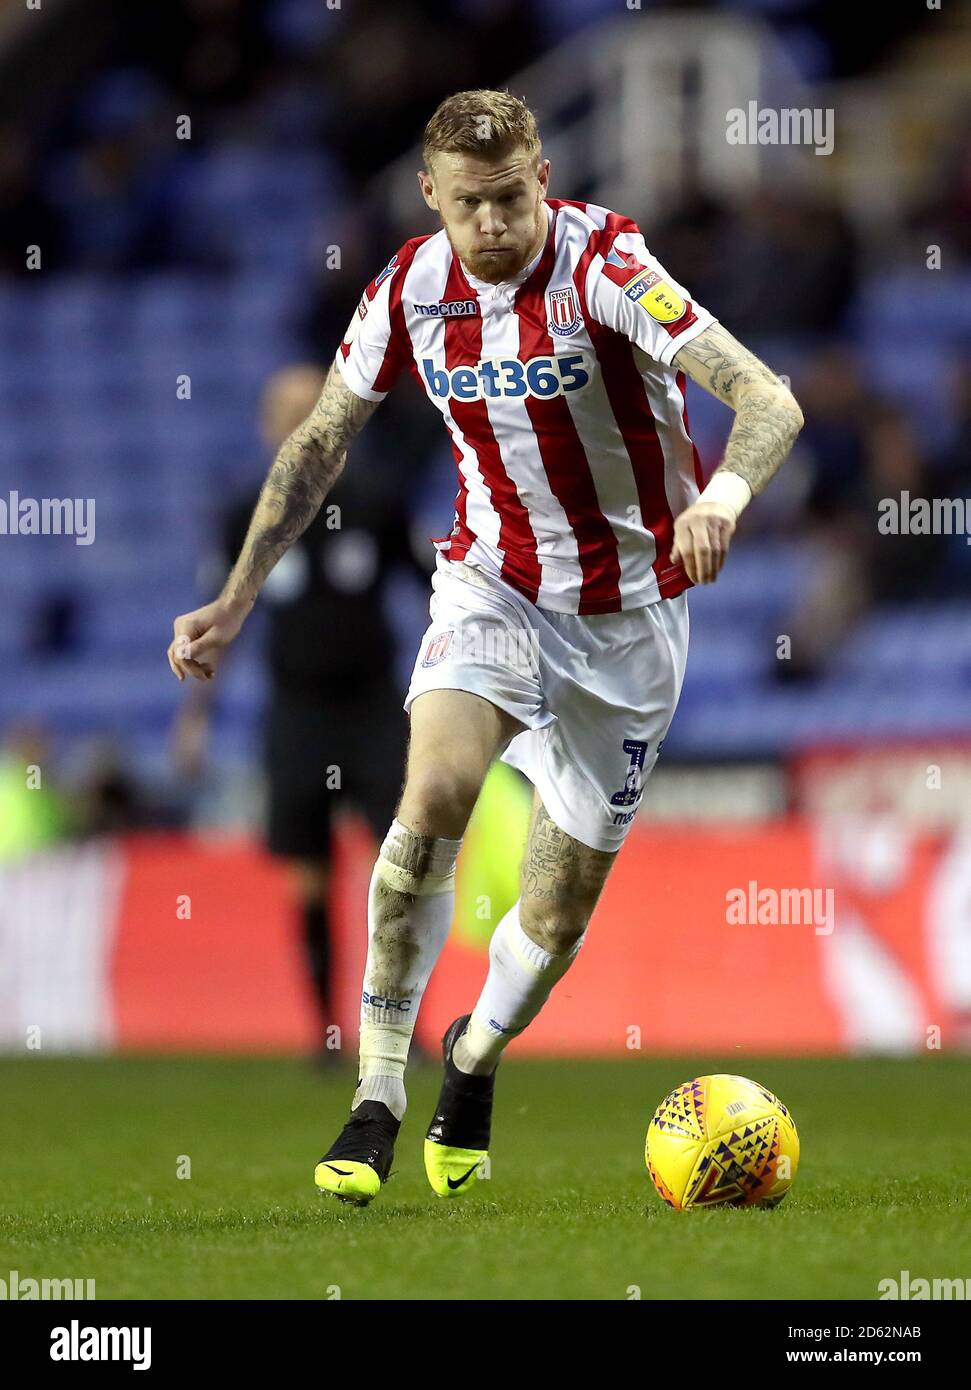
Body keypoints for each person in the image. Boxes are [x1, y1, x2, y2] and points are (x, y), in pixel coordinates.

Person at [168, 89, 803, 1206]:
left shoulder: (608, 264)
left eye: (511, 198)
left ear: (542, 176)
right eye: (470, 206)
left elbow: (765, 398)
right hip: (491, 588)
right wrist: (231, 601)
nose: (495, 225)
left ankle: (471, 1056)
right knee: (434, 795)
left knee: (553, 922)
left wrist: (723, 499)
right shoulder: (409, 287)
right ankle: (374, 1096)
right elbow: (319, 440)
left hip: (630, 625)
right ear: (430, 198)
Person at [173, 364, 425, 1061]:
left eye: (310, 407)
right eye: (283, 409)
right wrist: (195, 718)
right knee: (308, 873)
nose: (296, 420)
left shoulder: (377, 501)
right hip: (297, 712)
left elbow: (435, 588)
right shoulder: (242, 516)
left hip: (375, 706)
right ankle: (325, 1030)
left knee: (395, 869)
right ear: (264, 424)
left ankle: (398, 1026)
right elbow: (219, 624)